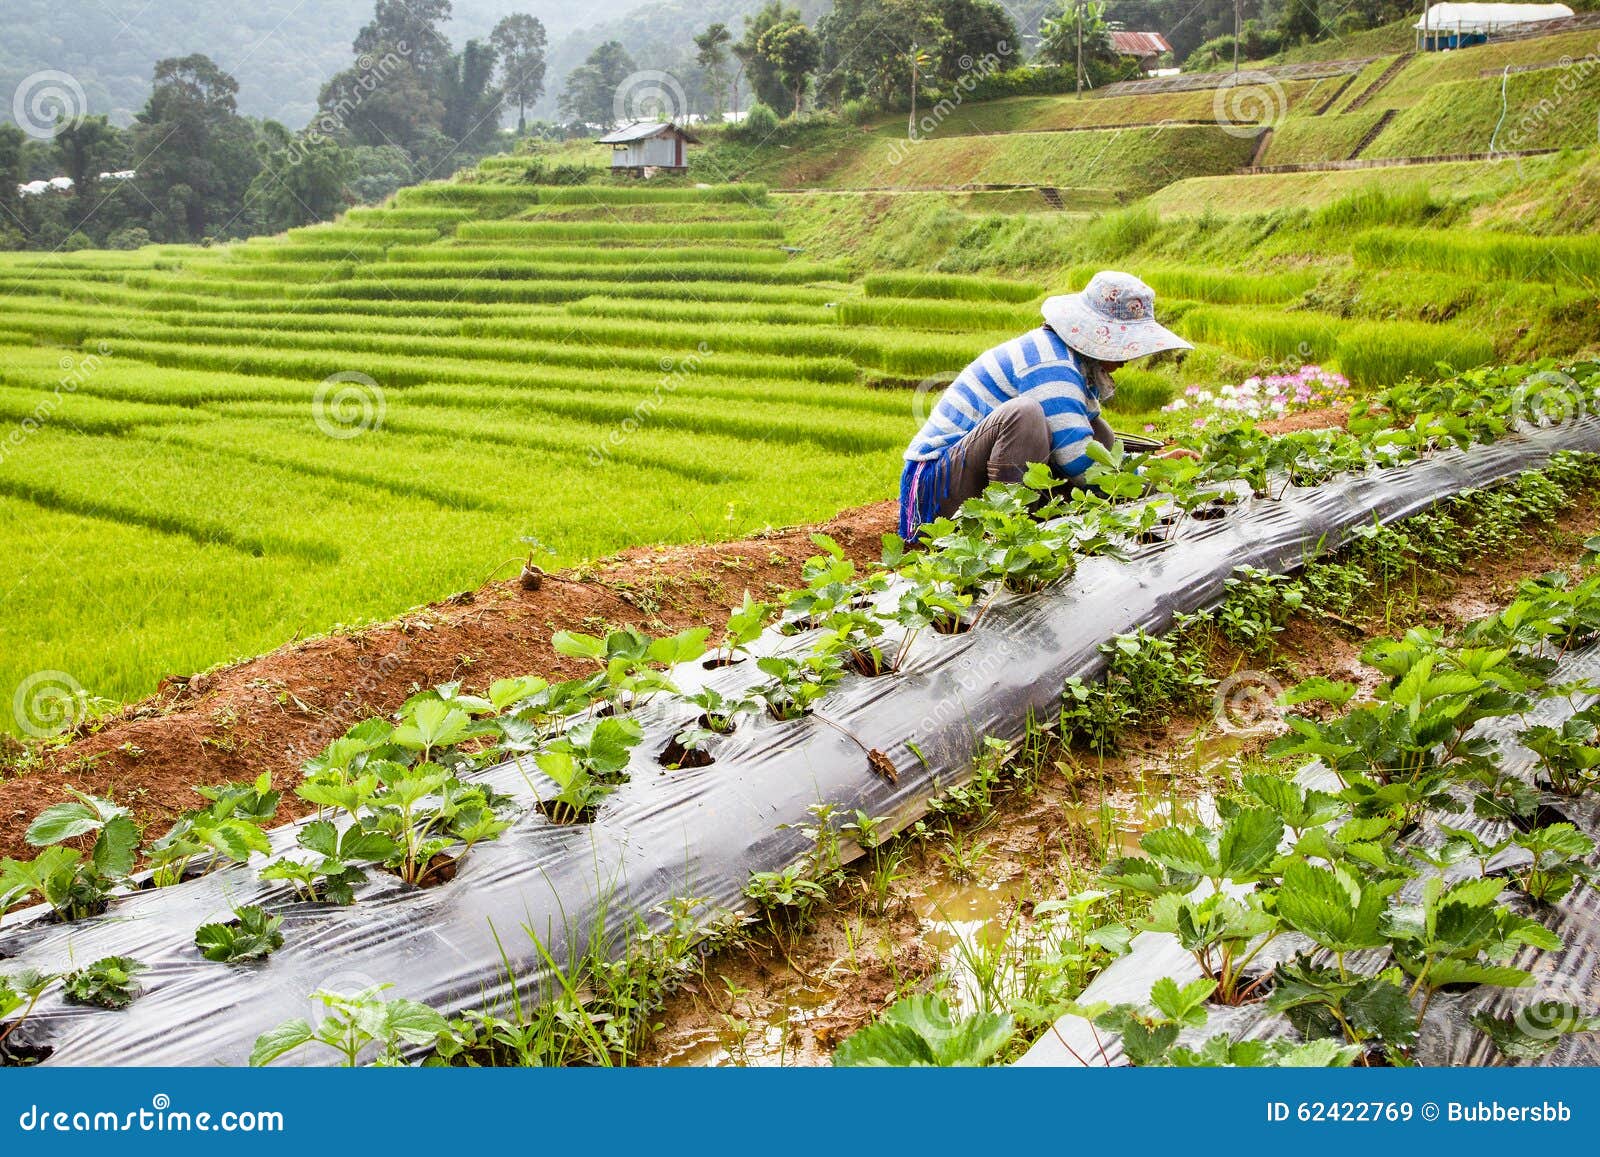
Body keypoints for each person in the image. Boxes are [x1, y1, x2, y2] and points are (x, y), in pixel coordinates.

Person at [898, 270, 1193, 540]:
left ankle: (1042, 523)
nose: (1130, 357)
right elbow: (1077, 460)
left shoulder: (1073, 362)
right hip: (934, 489)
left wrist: (1157, 468)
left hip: (963, 475)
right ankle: (1008, 534)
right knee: (1023, 416)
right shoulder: (1050, 363)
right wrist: (1154, 480)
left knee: (1098, 434)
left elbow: (1085, 443)